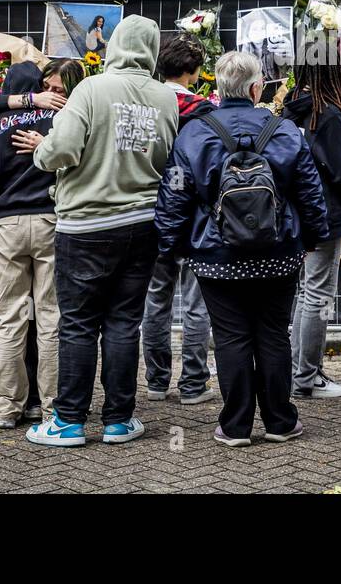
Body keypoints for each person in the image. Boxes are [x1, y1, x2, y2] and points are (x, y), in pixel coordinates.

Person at [18, 16, 179, 448]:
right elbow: (167, 160)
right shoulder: (165, 98)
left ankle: (68, 421)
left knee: (78, 324)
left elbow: (63, 149)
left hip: (85, 224)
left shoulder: (90, 89)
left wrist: (42, 153)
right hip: (142, 224)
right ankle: (118, 420)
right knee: (125, 322)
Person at [156, 51, 330, 446]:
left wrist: (175, 246)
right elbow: (309, 191)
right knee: (272, 334)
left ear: (216, 88)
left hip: (217, 257)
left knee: (231, 337)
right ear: (256, 88)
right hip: (279, 253)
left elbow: (175, 194)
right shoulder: (284, 131)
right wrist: (312, 238)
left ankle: (235, 426)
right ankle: (280, 421)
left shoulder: (195, 133)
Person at [0, 58, 85, 428]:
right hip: (52, 221)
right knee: (51, 318)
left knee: (9, 319)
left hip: (7, 226)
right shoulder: (59, 119)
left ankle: (6, 408)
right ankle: (52, 407)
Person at [142, 33, 216, 404]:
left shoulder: (146, 102)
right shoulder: (203, 110)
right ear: (194, 71)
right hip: (193, 216)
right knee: (195, 301)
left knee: (156, 298)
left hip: (152, 211)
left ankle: (156, 382)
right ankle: (193, 383)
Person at [281, 58, 341, 398]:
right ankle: (306, 377)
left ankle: (298, 368)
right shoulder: (330, 116)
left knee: (305, 293)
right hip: (325, 217)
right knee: (318, 296)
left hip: (295, 215)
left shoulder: (290, 110)